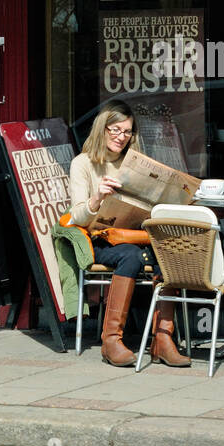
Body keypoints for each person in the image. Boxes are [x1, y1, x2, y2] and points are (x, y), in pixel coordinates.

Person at [68, 100, 188, 368]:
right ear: (102, 129)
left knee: (169, 253)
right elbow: (77, 216)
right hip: (100, 238)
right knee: (131, 257)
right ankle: (111, 340)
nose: (121, 137)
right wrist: (97, 197)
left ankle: (163, 339)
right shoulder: (83, 164)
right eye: (115, 130)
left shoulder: (133, 164)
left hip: (134, 234)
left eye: (127, 132)